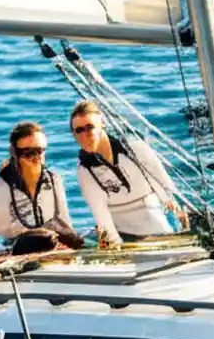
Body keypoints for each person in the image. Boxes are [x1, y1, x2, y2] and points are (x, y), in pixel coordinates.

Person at [70, 101, 183, 247]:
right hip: (126, 237)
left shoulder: (136, 149)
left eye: (89, 127)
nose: (85, 135)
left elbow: (166, 191)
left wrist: (179, 218)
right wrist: (116, 247)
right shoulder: (85, 170)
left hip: (158, 229)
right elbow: (101, 216)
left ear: (102, 124)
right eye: (79, 130)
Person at [0, 121, 84, 253]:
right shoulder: (3, 185)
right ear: (16, 154)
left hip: (51, 242)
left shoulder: (53, 180)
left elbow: (64, 222)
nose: (36, 157)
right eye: (29, 153)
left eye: (40, 151)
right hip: (18, 248)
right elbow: (1, 232)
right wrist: (38, 233)